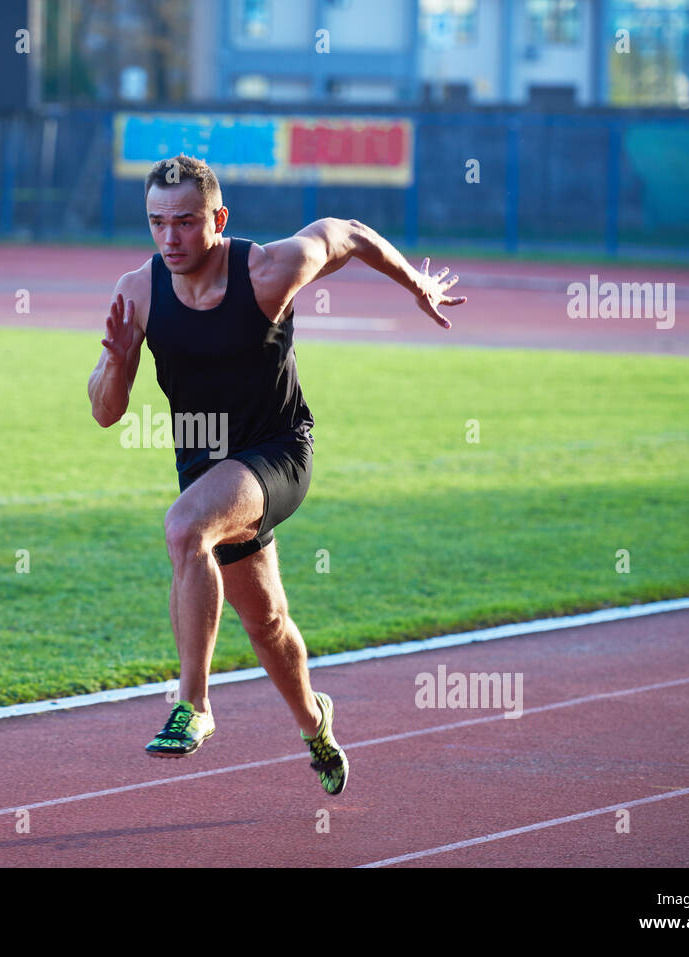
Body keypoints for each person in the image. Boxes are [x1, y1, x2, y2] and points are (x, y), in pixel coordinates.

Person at [86, 155, 465, 794]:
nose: (170, 238)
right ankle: (316, 722)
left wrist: (415, 285)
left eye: (185, 222)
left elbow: (348, 233)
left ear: (219, 219)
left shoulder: (266, 270)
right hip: (206, 465)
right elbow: (105, 412)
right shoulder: (138, 291)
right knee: (265, 621)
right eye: (157, 223)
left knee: (185, 531)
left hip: (279, 452)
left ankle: (194, 705)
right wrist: (119, 364)